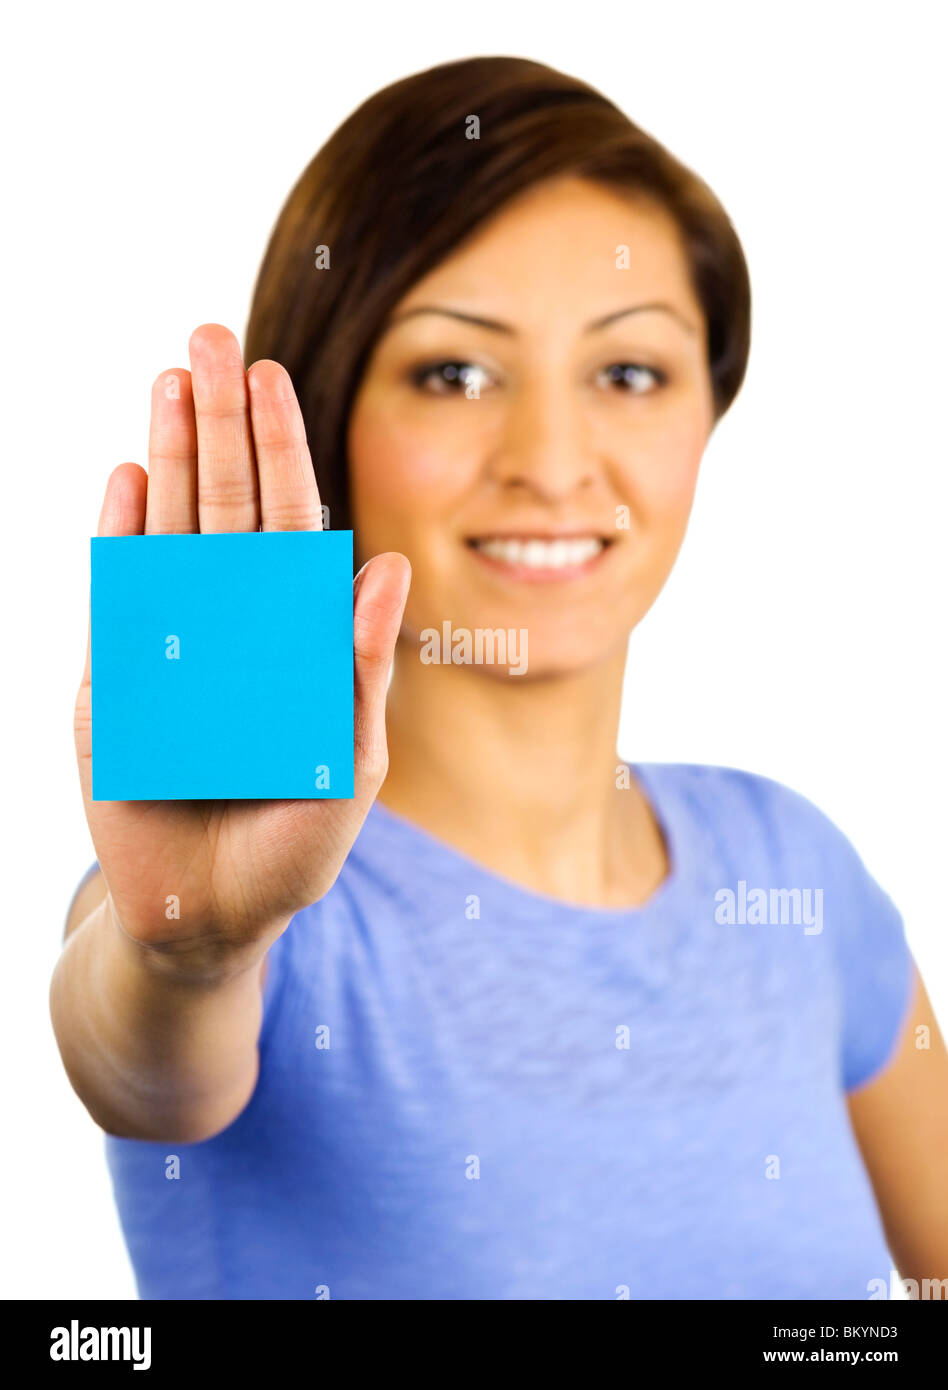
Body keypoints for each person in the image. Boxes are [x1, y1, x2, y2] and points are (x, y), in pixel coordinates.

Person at [51, 55, 948, 1300]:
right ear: (329, 422)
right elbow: (143, 1054)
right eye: (455, 374)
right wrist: (184, 953)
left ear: (707, 412)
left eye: (628, 372)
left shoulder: (793, 866)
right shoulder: (252, 898)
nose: (552, 458)